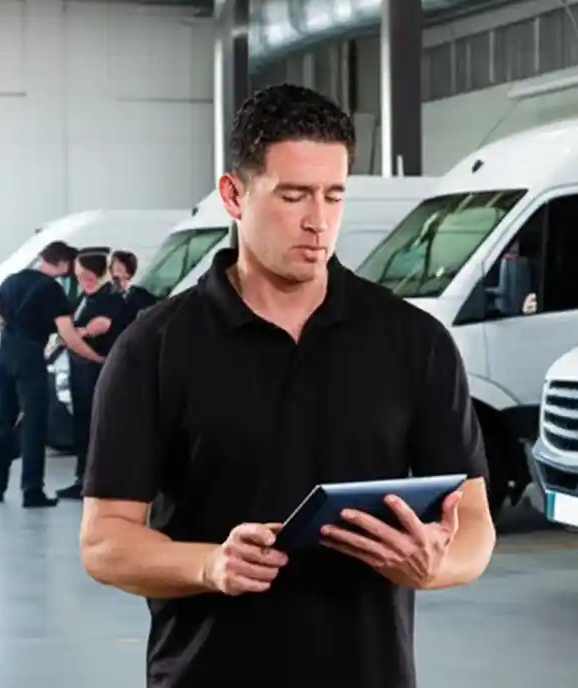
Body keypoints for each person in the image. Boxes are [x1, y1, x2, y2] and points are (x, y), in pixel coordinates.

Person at [78, 84, 496, 687]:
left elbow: (475, 526)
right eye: (292, 195)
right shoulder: (156, 346)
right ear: (233, 195)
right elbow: (105, 542)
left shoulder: (415, 341)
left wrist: (432, 565)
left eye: (333, 195)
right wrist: (211, 565)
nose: (317, 221)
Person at [0, 240, 105, 507]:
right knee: (34, 423)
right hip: (30, 359)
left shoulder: (10, 281)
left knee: (2, 422)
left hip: (3, 357)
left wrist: (15, 333)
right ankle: (31, 491)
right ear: (63, 264)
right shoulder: (52, 290)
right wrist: (98, 358)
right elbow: (68, 336)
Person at [56, 251, 126, 500]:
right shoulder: (82, 299)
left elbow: (105, 327)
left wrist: (80, 333)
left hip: (96, 369)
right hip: (79, 368)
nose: (78, 277)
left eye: (82, 273)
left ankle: (95, 479)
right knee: (82, 424)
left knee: (95, 423)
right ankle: (82, 476)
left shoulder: (110, 299)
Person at [110, 250, 158, 318]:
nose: (116, 265)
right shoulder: (109, 293)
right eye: (114, 263)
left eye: (120, 264)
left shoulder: (138, 293)